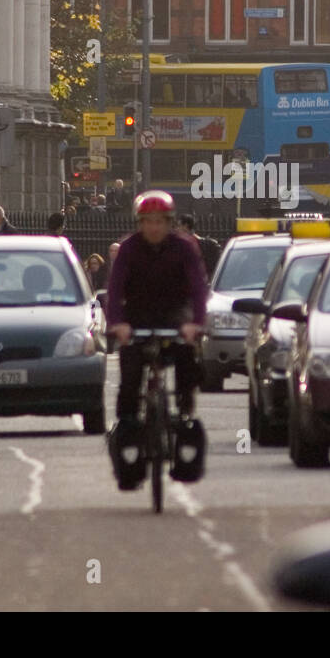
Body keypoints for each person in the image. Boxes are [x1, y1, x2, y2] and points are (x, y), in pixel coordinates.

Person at [105, 191, 209, 490]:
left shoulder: (184, 248)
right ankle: (128, 430)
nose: (153, 227)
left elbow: (198, 288)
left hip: (175, 315)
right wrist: (118, 324)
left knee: (187, 359)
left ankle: (185, 412)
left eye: (160, 221)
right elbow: (115, 288)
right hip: (137, 317)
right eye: (148, 221)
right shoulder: (128, 249)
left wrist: (195, 324)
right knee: (130, 377)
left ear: (169, 222)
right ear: (139, 223)